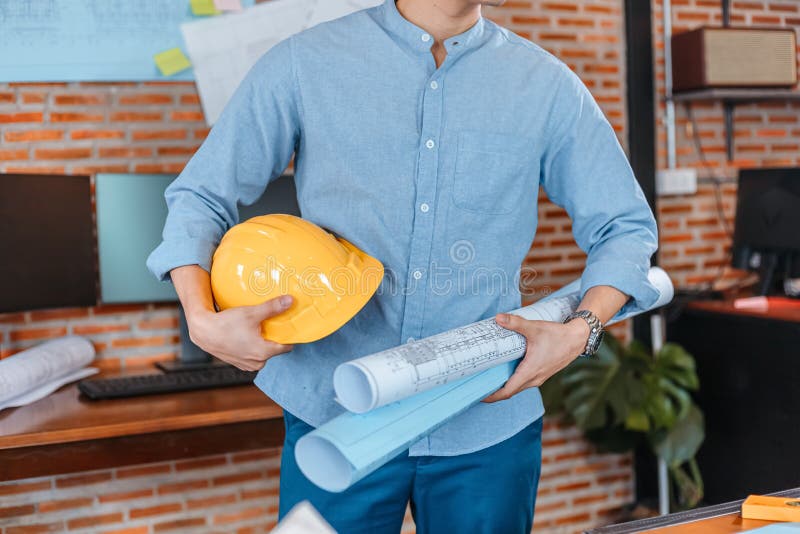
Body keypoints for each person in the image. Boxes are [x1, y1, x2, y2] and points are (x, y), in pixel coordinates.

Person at [147, 0, 660, 532]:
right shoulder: (305, 62)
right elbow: (201, 196)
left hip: (486, 418)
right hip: (336, 417)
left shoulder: (547, 86)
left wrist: (582, 330)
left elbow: (625, 228)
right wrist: (201, 317)